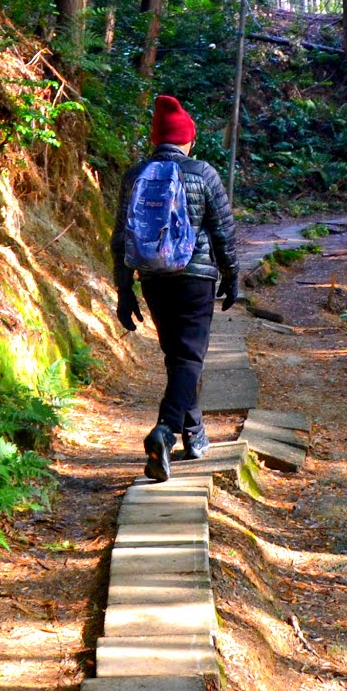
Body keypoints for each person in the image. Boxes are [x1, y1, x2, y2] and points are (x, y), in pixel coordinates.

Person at [110, 94, 240, 482]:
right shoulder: (203, 174)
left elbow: (121, 237)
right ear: (188, 139)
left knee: (179, 358)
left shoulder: (135, 175)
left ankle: (195, 435)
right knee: (189, 358)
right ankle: (165, 431)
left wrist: (124, 290)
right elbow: (223, 232)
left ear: (157, 140)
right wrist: (232, 275)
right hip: (196, 277)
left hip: (153, 278)